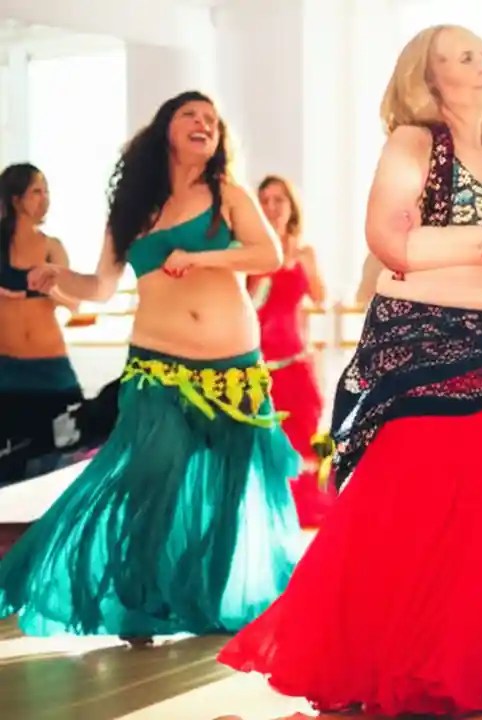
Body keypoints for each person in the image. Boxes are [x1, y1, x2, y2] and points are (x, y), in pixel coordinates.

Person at [217, 25, 482, 716]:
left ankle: (466, 667)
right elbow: (390, 242)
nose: (479, 66)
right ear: (429, 76)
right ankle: (369, 656)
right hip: (421, 346)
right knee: (402, 506)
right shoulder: (413, 144)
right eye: (460, 57)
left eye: (481, 54)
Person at [0, 90, 302, 645]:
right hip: (158, 366)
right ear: (165, 128)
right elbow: (101, 286)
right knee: (151, 478)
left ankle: (212, 602)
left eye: (211, 119)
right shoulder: (133, 209)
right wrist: (55, 279)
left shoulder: (228, 194)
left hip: (233, 368)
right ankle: (140, 600)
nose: (203, 123)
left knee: (229, 491)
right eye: (191, 114)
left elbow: (267, 256)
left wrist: (202, 257)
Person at [0, 163, 118, 490]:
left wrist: (48, 285)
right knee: (9, 466)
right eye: (37, 191)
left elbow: (72, 302)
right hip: (6, 370)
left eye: (47, 191)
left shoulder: (52, 246)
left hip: (50, 368)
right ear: (15, 198)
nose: (45, 199)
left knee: (66, 451)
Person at [248, 174, 334, 529]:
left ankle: (306, 515)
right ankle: (272, 517)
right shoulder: (251, 253)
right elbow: (247, 307)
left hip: (296, 363)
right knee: (266, 445)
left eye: (278, 200)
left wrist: (302, 264)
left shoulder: (304, 251)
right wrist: (266, 269)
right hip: (260, 368)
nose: (271, 207)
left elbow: (320, 297)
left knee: (305, 439)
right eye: (265, 200)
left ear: (290, 206)